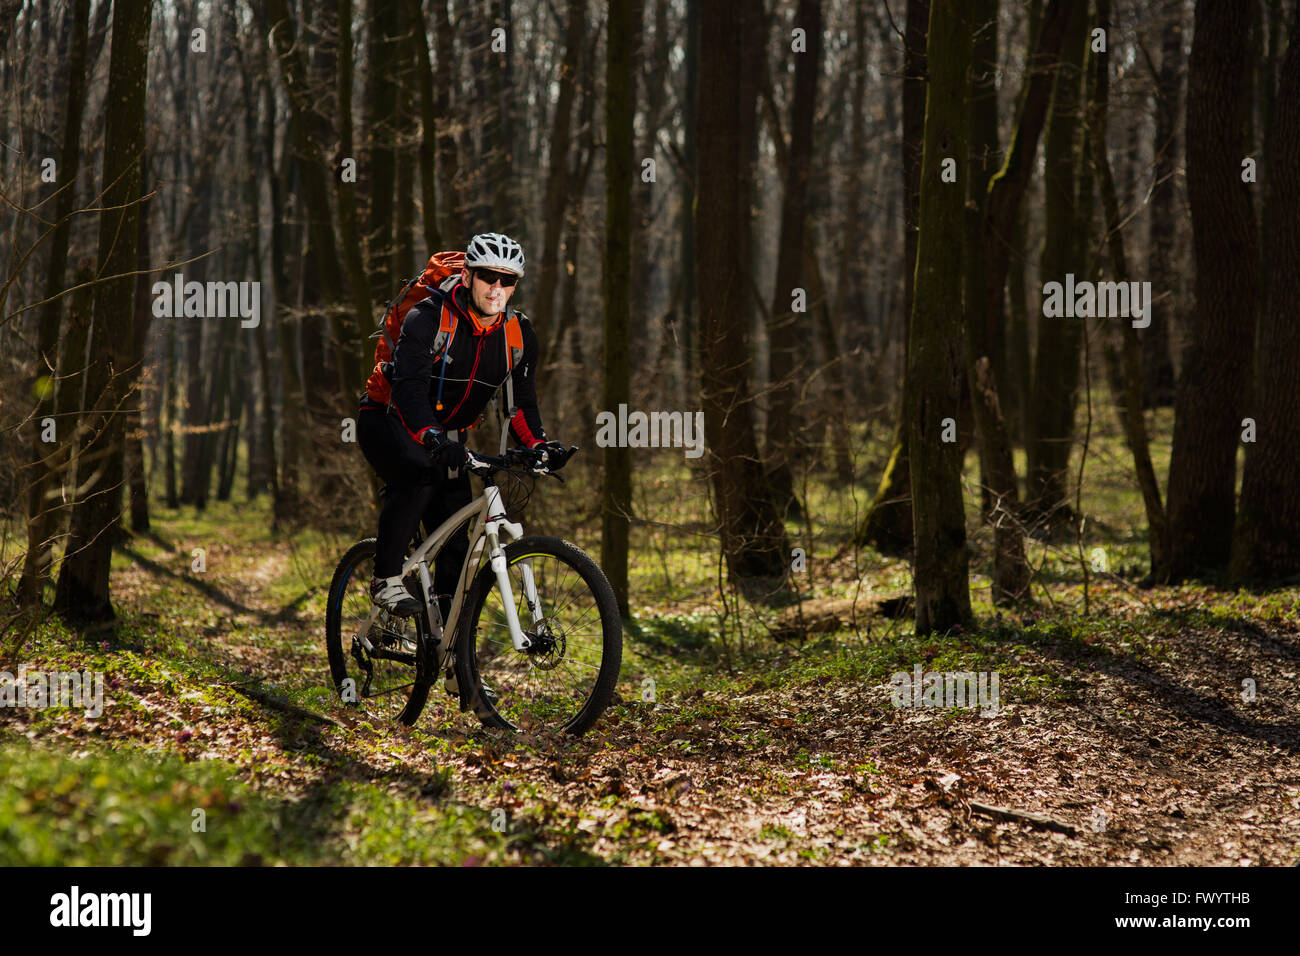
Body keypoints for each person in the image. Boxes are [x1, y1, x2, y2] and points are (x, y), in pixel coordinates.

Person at [356, 232, 566, 621]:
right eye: (488, 276)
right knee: (417, 476)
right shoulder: (428, 318)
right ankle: (385, 578)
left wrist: (538, 445)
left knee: (457, 547)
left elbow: (520, 403)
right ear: (468, 276)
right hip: (385, 417)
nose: (497, 288)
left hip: (448, 434)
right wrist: (429, 437)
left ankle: (455, 667)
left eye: (508, 280)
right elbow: (410, 388)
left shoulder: (518, 334)